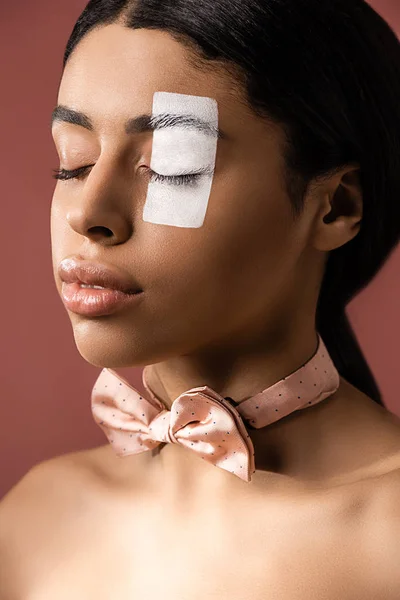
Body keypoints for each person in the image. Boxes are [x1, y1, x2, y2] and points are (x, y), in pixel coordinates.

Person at [1, 0, 400, 597]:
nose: (89, 214)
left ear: (336, 206)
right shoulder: (31, 519)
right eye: (74, 162)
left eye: (169, 168)